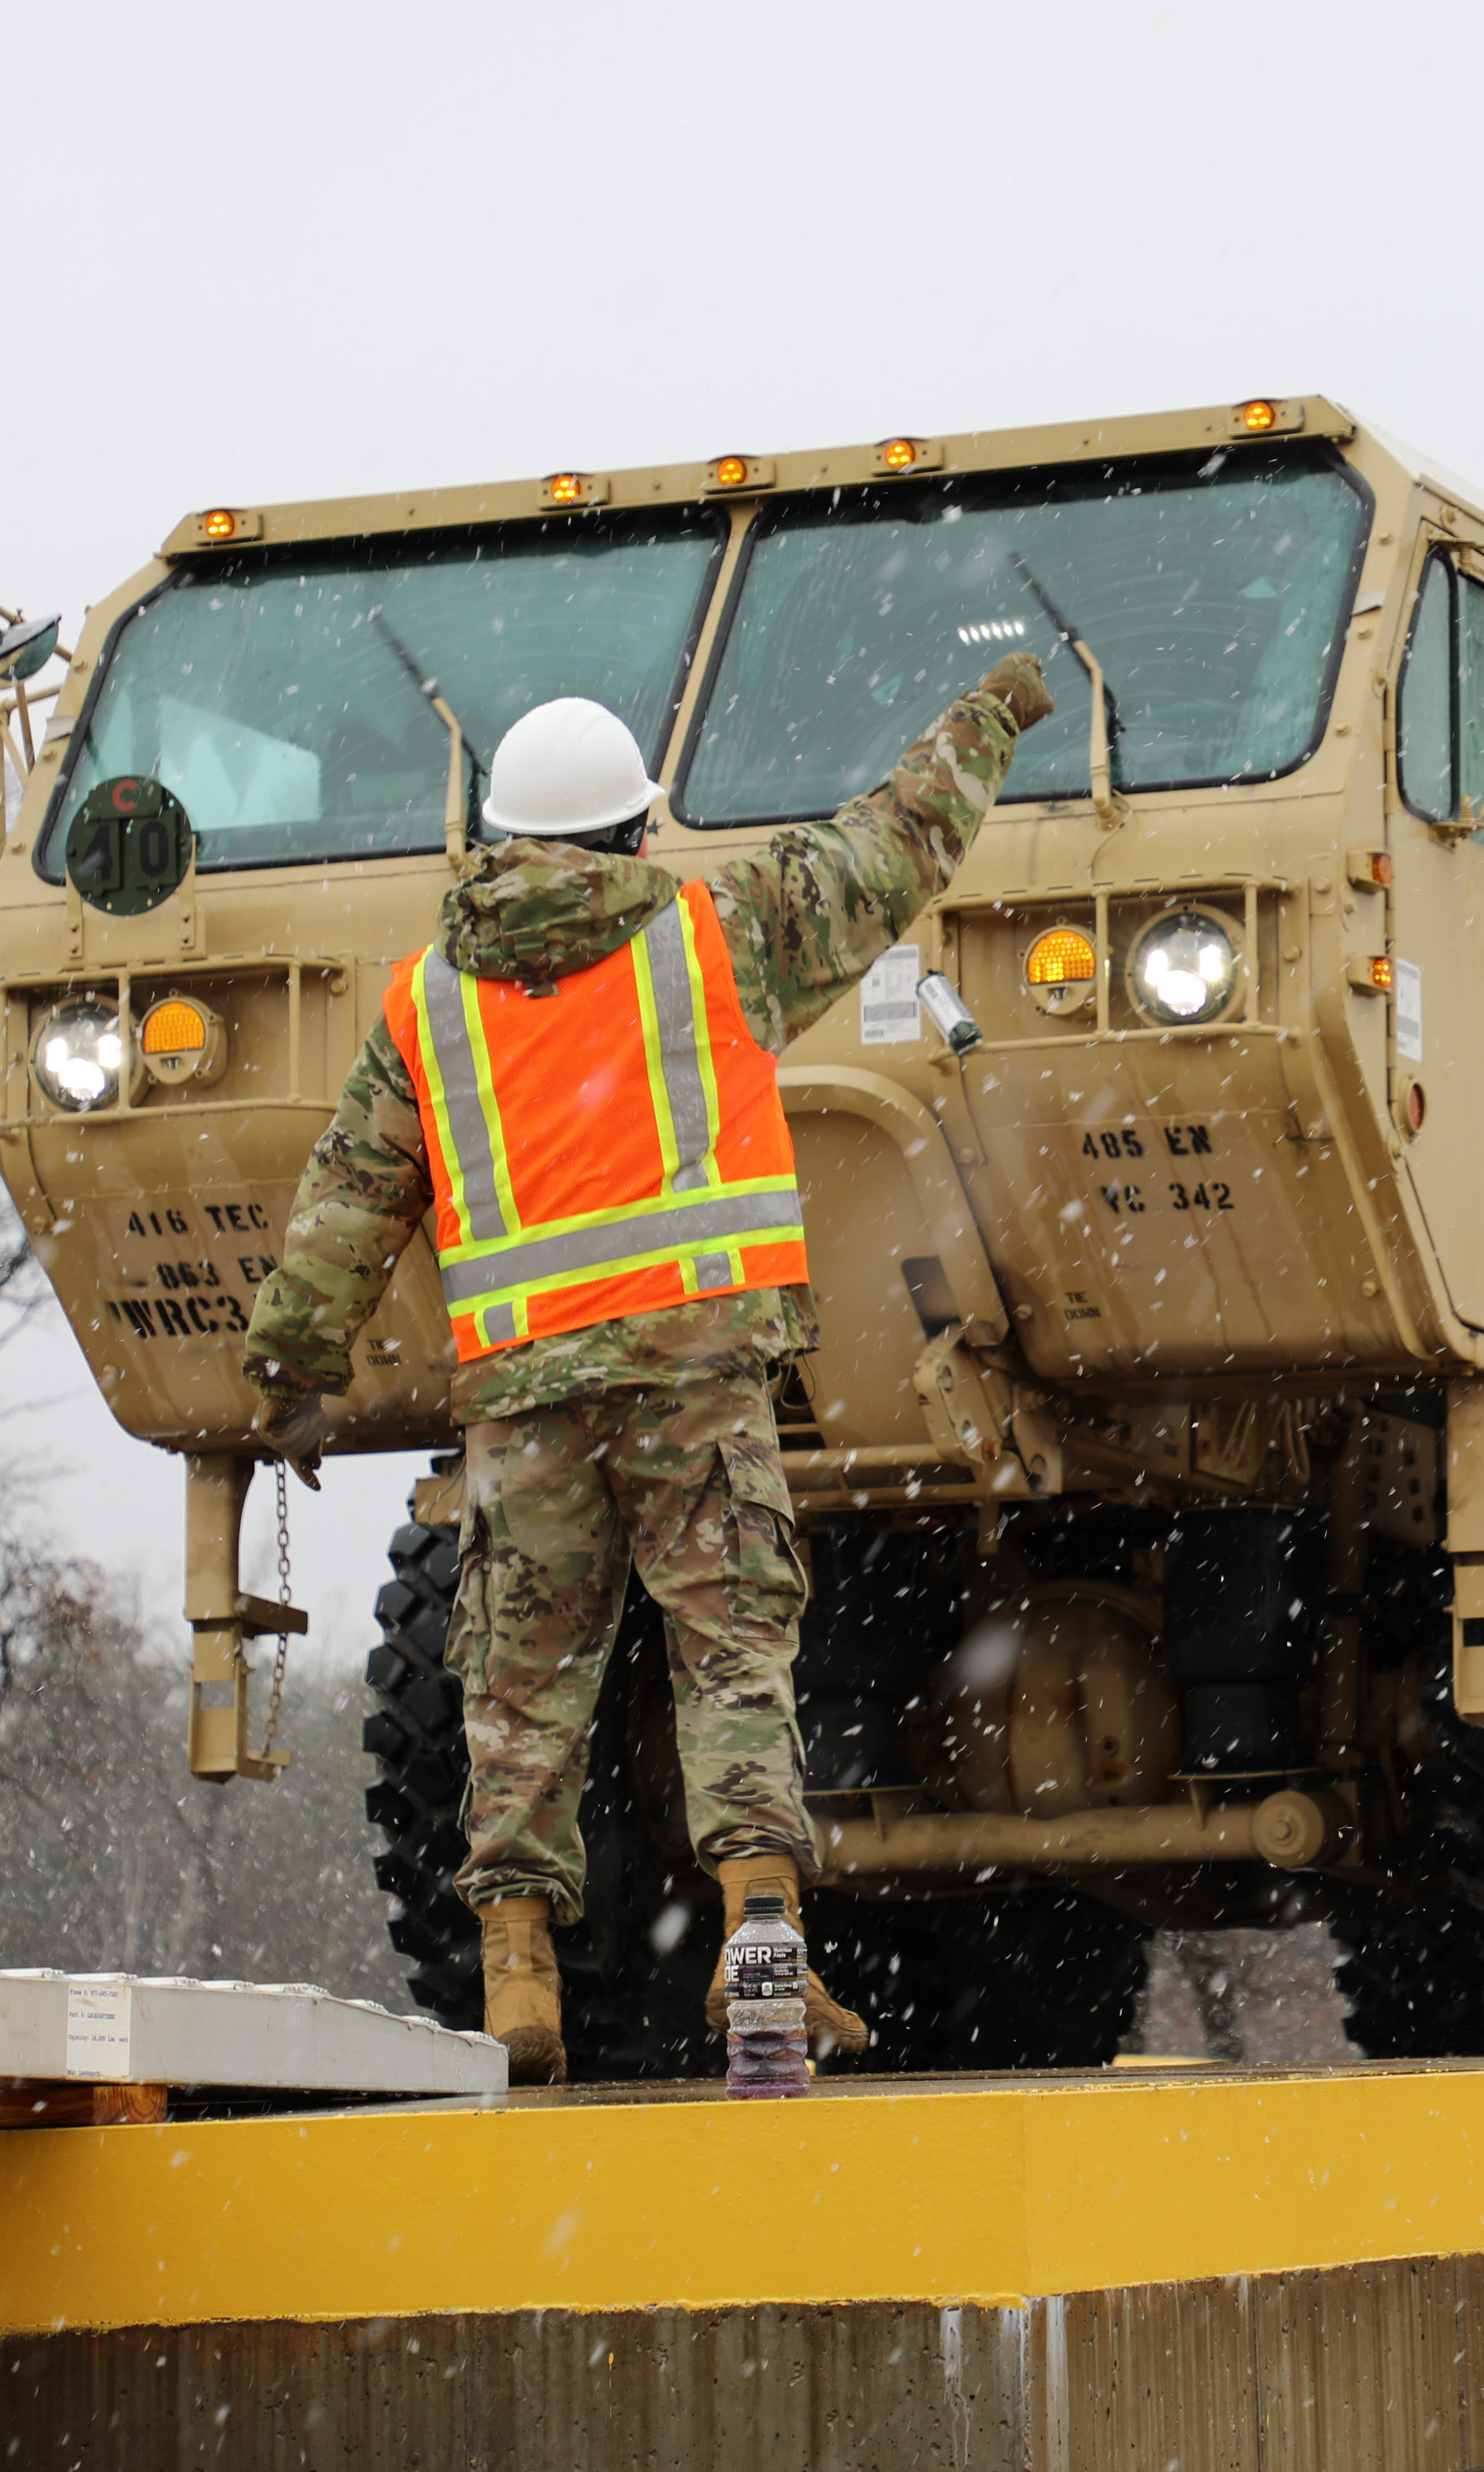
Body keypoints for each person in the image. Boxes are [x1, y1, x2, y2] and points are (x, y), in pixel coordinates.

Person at [242, 653, 1054, 2085]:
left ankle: (517, 1987)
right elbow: (892, 846)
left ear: (503, 833)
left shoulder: (428, 1003)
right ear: (634, 830)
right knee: (730, 1653)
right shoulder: (715, 937)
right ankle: (764, 1961)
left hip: (524, 1401)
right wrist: (985, 719)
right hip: (696, 1375)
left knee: (521, 1684)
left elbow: (347, 1198)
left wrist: (295, 1370)